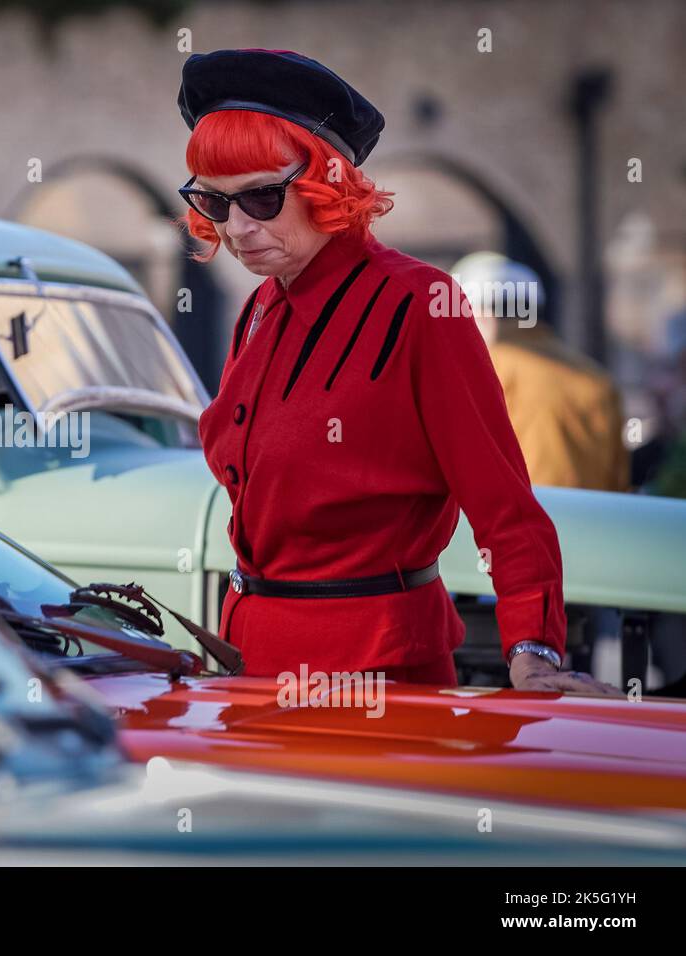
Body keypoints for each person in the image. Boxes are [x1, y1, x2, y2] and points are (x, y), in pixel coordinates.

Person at [176, 48, 618, 694]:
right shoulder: (259, 308)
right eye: (215, 204)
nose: (238, 229)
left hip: (377, 676)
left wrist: (532, 649)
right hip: (252, 665)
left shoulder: (421, 305)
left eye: (263, 198)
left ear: (326, 183)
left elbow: (504, 506)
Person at [452, 251, 629, 491]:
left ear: (482, 316)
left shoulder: (478, 372)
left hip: (515, 524)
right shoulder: (597, 379)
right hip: (594, 524)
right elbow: (618, 481)